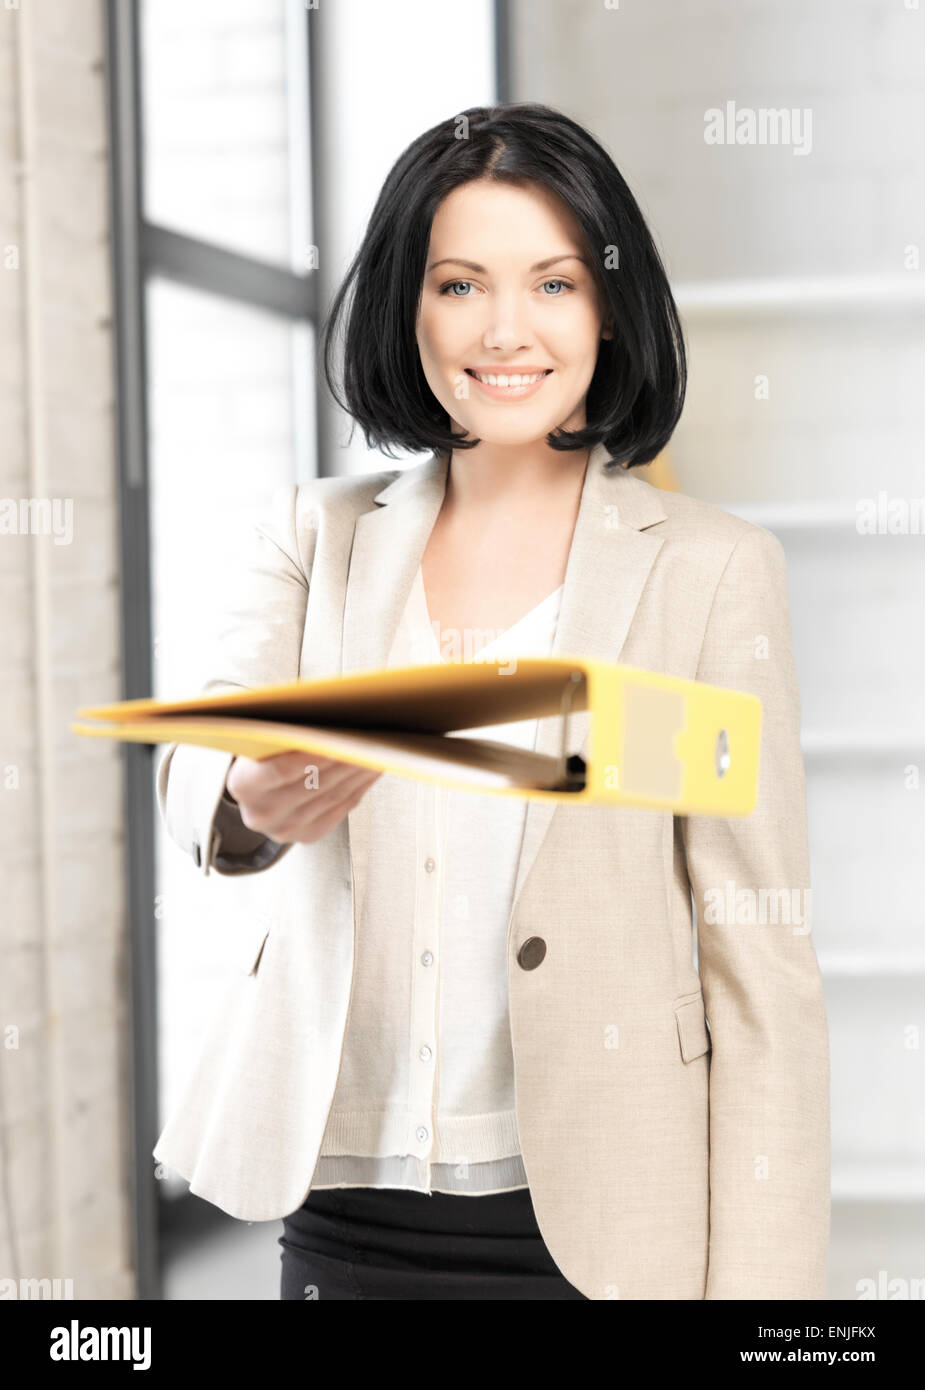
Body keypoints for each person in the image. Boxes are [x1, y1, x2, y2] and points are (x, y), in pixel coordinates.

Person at [154, 103, 830, 1301]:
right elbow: (206, 750)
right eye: (460, 284)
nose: (505, 330)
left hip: (607, 1225)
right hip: (345, 1208)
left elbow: (758, 958)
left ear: (608, 308)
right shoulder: (313, 536)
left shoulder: (710, 572)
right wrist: (250, 797)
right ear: (407, 310)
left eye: (553, 283)